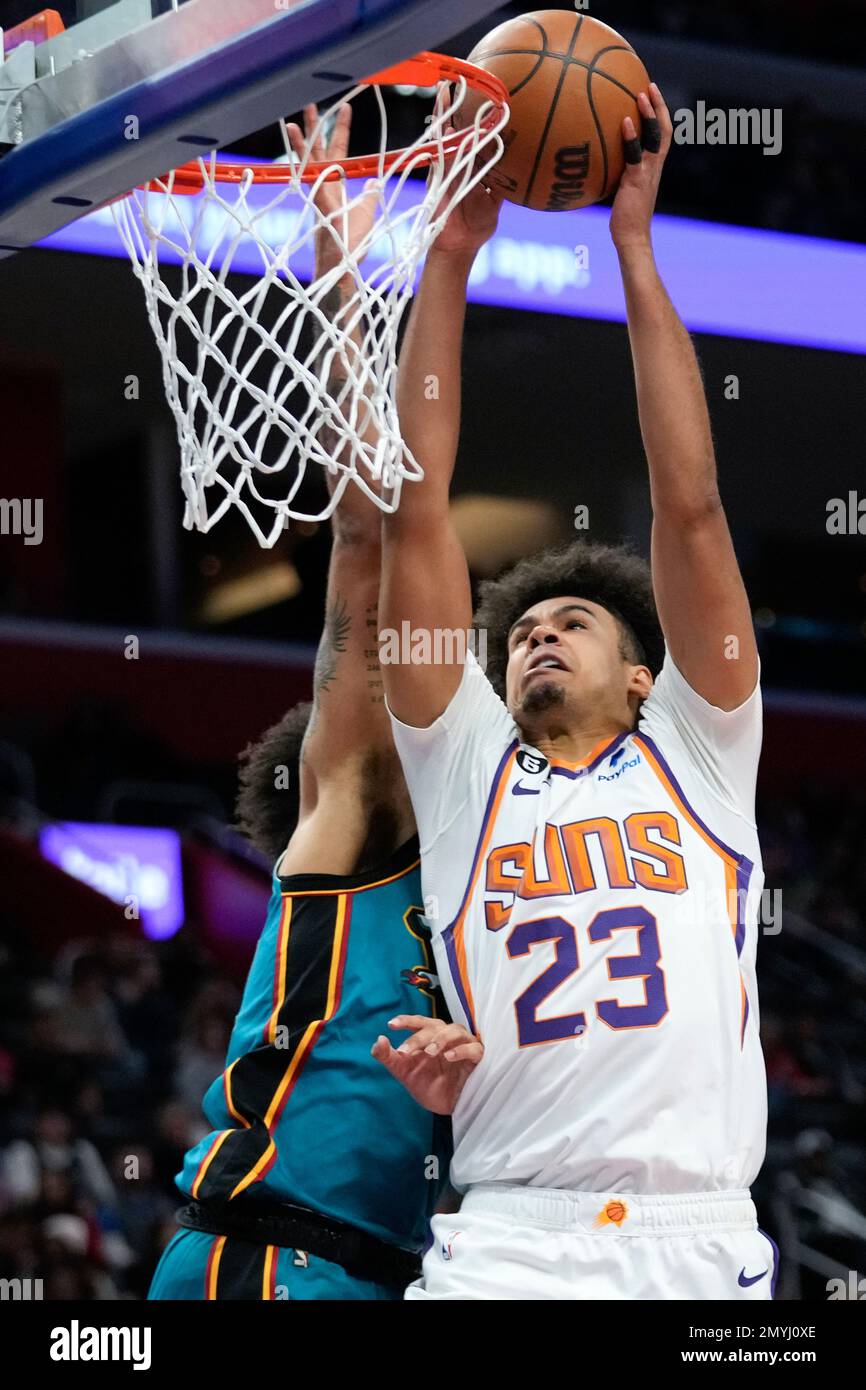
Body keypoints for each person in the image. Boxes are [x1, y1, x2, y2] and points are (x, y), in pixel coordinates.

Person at [378, 85, 773, 1300]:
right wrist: (448, 252)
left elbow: (689, 504)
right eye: (521, 634)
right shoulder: (463, 768)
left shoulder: (700, 750)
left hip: (700, 1236)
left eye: (572, 624)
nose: (537, 638)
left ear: (642, 675)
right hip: (510, 1240)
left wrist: (633, 250)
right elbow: (416, 502)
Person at [148, 105, 474, 1301]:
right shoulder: (359, 818)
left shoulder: (487, 880)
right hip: (274, 1255)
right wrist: (340, 235)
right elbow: (363, 532)